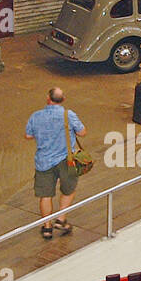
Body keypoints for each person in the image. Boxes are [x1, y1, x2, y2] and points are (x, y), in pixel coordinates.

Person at [25, 87, 85, 239]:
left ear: (48, 98)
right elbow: (82, 132)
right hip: (67, 161)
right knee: (69, 190)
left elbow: (28, 135)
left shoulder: (36, 116)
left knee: (45, 195)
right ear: (63, 99)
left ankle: (47, 227)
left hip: (43, 161)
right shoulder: (68, 115)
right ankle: (61, 218)